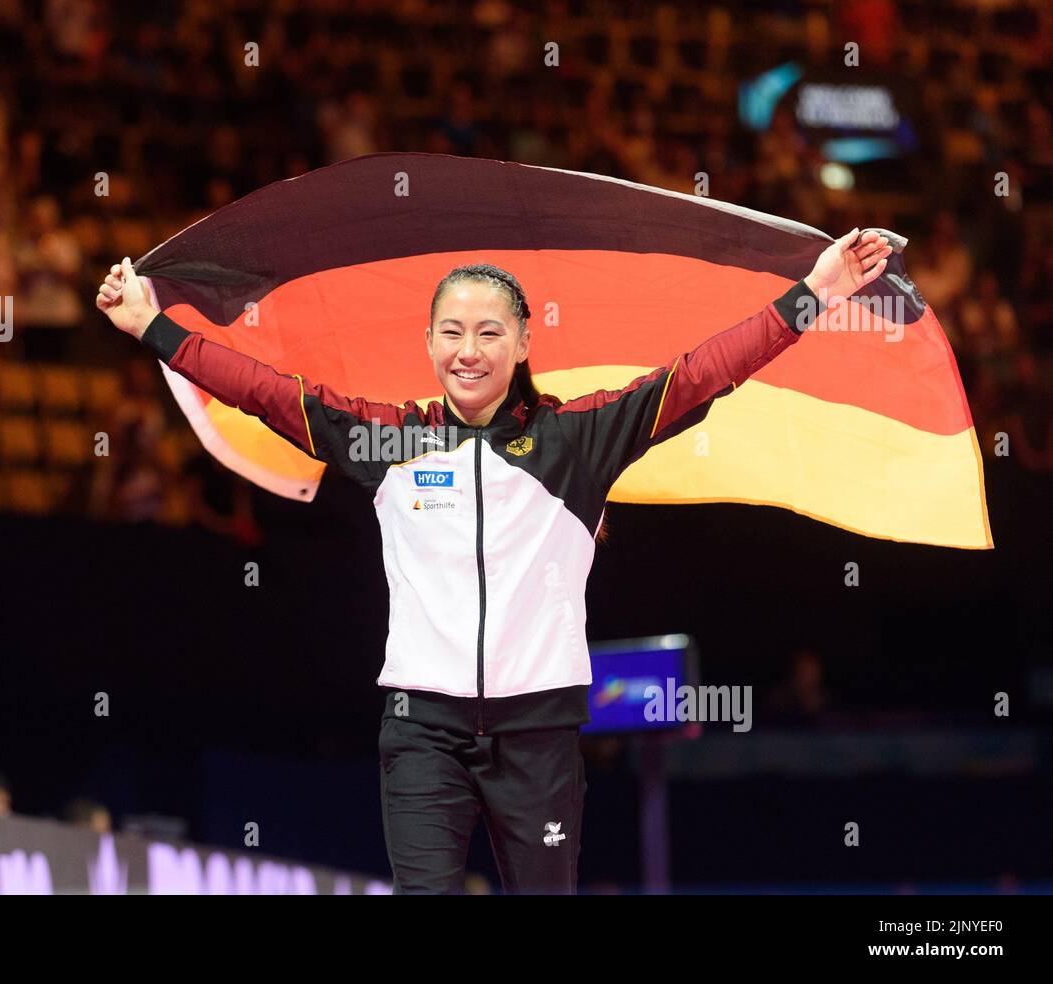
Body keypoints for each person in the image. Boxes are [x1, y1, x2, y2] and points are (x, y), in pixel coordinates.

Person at [96, 227, 892, 894]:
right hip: (420, 732)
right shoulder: (390, 439)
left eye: (488, 333)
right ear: (428, 341)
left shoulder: (578, 439)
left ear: (521, 342)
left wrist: (814, 292)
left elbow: (702, 374)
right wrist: (151, 329)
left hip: (538, 735)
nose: (467, 351)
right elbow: (262, 391)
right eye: (451, 332)